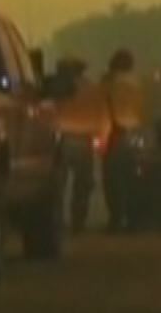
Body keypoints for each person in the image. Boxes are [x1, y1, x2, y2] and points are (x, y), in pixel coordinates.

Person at [52, 57, 106, 233]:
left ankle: (57, 221)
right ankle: (78, 222)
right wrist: (100, 139)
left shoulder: (57, 89)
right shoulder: (92, 88)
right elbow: (102, 116)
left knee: (57, 185)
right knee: (83, 186)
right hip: (85, 140)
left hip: (62, 139)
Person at [98, 49, 145, 233]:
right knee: (131, 179)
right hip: (132, 134)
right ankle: (132, 219)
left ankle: (116, 219)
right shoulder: (135, 83)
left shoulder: (107, 83)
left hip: (113, 135)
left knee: (112, 180)